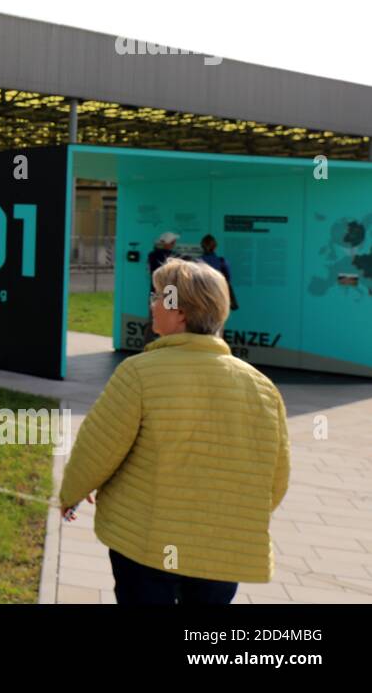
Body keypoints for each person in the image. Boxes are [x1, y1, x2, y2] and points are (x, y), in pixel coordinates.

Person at [60, 257, 290, 605]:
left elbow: (98, 448)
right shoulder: (262, 388)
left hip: (147, 544)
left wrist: (72, 492)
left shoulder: (139, 373)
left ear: (180, 311)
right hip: (221, 552)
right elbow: (276, 478)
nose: (151, 304)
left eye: (157, 296)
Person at [199, 234, 239, 310]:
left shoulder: (195, 262)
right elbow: (228, 279)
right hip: (217, 296)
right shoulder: (222, 262)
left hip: (201, 297)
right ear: (215, 247)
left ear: (202, 246)